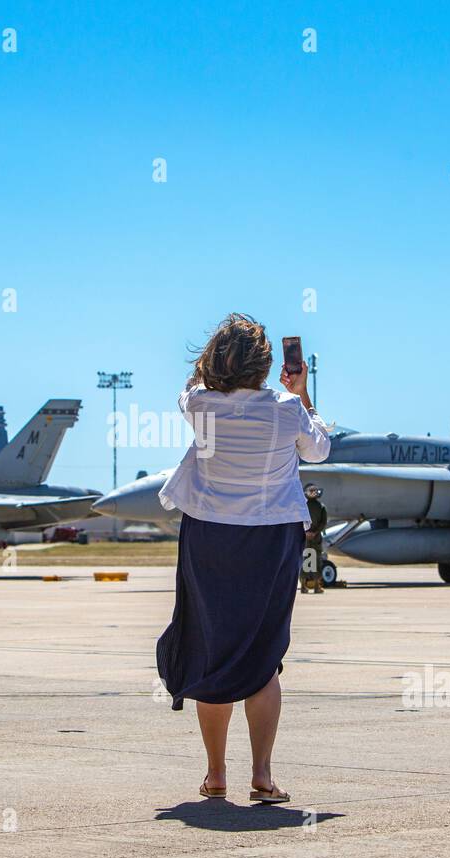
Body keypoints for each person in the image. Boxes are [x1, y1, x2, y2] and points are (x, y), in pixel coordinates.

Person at [156, 314, 330, 803]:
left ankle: (215, 774)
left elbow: (187, 390)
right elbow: (318, 450)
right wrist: (301, 391)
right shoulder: (287, 409)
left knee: (213, 648)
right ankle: (263, 774)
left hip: (209, 536)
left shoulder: (201, 406)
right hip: (270, 539)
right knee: (263, 655)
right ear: (268, 364)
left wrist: (206, 372)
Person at [300, 484, 328, 594]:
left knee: (305, 561)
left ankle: (303, 586)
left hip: (305, 538)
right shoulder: (321, 506)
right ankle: (317, 587)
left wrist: (306, 532)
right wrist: (315, 532)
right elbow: (323, 522)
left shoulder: (303, 506)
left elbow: (300, 521)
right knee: (316, 561)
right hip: (316, 538)